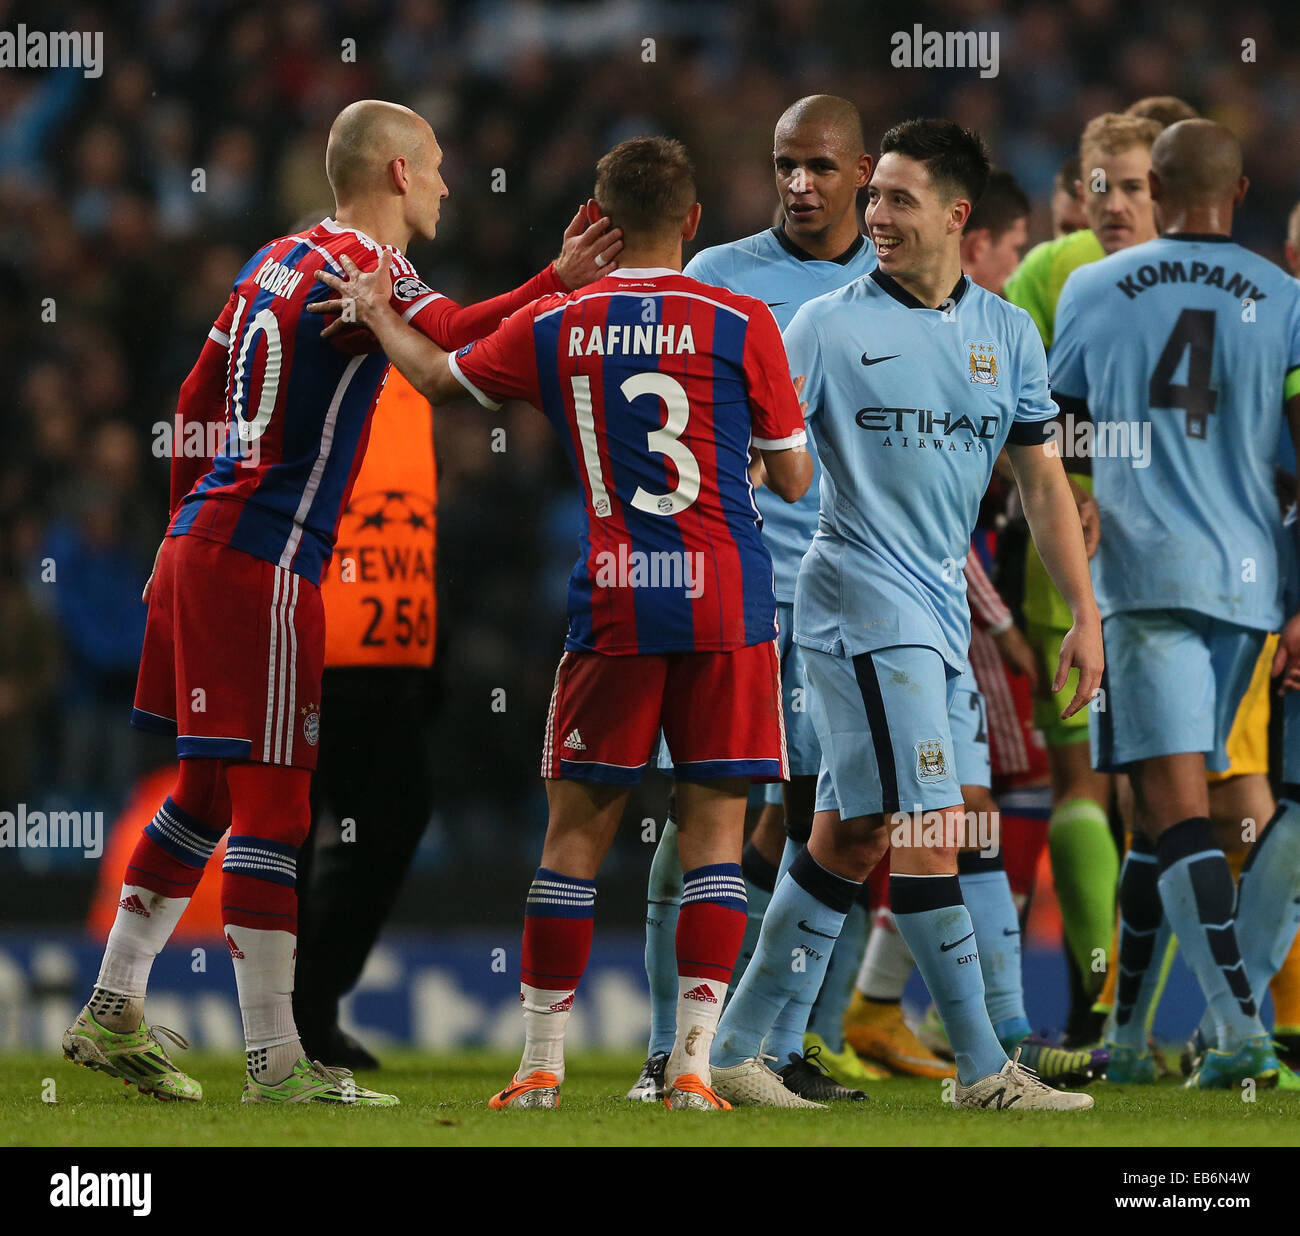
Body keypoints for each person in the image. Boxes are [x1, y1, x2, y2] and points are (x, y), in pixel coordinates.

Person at [60, 99, 620, 1105]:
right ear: (399, 173)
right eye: (439, 165)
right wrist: (555, 284)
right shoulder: (369, 265)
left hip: (203, 547)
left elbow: (193, 399)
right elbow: (446, 340)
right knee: (276, 811)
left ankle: (112, 1007)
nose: (449, 183)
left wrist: (175, 531)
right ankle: (278, 1063)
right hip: (268, 563)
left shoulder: (269, 260)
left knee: (205, 794)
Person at [310, 135, 813, 1112]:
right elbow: (792, 474)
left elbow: (436, 376)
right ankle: (696, 1070)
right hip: (723, 599)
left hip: (618, 599)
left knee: (574, 840)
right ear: (694, 222)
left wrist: (375, 313)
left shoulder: (562, 321)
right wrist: (738, 466)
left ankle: (540, 1067)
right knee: (714, 834)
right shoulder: (741, 319)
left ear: (601, 220)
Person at [710, 118, 1103, 1112]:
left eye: (897, 199)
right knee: (929, 831)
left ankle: (735, 1050)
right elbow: (757, 457)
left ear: (956, 215)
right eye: (872, 196)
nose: (874, 215)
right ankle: (982, 1070)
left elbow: (1044, 487)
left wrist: (1085, 618)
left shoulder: (1006, 332)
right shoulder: (826, 327)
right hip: (858, 605)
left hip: (938, 615)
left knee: (847, 837)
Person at [629, 93, 877, 1106]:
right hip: (738, 588)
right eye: (784, 165)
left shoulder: (899, 283)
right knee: (704, 821)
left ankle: (782, 1043)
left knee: (845, 819)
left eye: (819, 166)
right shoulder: (714, 278)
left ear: (863, 171)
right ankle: (662, 1049)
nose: (799, 185)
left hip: (855, 593)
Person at [1049, 118, 1300, 1087]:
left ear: (1152, 183)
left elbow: (1059, 432)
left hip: (1146, 578)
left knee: (1172, 805)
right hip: (1244, 585)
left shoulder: (1092, 286)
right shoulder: (1282, 295)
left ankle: (1235, 1029)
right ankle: (1123, 1041)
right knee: (1160, 823)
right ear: (1236, 195)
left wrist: (1083, 485)